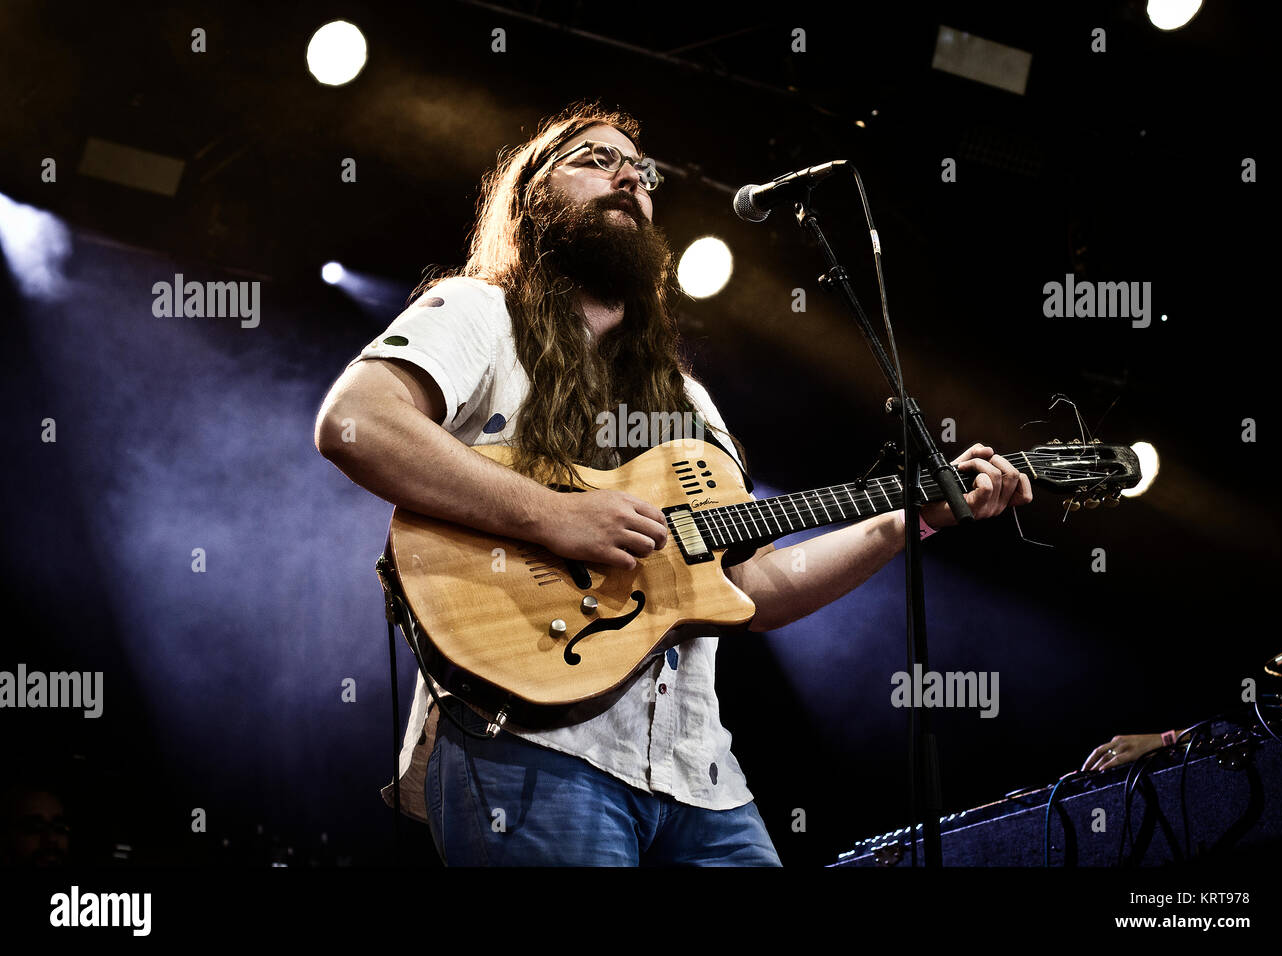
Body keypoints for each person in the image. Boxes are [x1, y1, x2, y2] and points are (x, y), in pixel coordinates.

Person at [314, 101, 1032, 866]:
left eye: (642, 170)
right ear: (528, 195)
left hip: (704, 782)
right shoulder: (478, 311)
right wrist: (556, 516)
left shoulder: (688, 403)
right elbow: (357, 421)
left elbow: (753, 585)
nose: (628, 175)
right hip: (530, 749)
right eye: (594, 159)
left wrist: (909, 520)